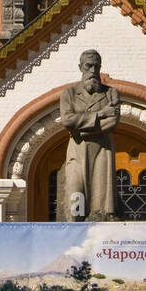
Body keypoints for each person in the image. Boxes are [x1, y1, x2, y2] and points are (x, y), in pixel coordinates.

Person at [57, 50, 121, 221]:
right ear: (80, 67)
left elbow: (112, 122)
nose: (93, 71)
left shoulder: (110, 93)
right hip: (77, 150)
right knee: (75, 194)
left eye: (96, 66)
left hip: (102, 149)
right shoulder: (69, 94)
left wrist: (81, 129)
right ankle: (73, 232)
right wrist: (100, 114)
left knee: (100, 203)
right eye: (88, 66)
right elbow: (67, 120)